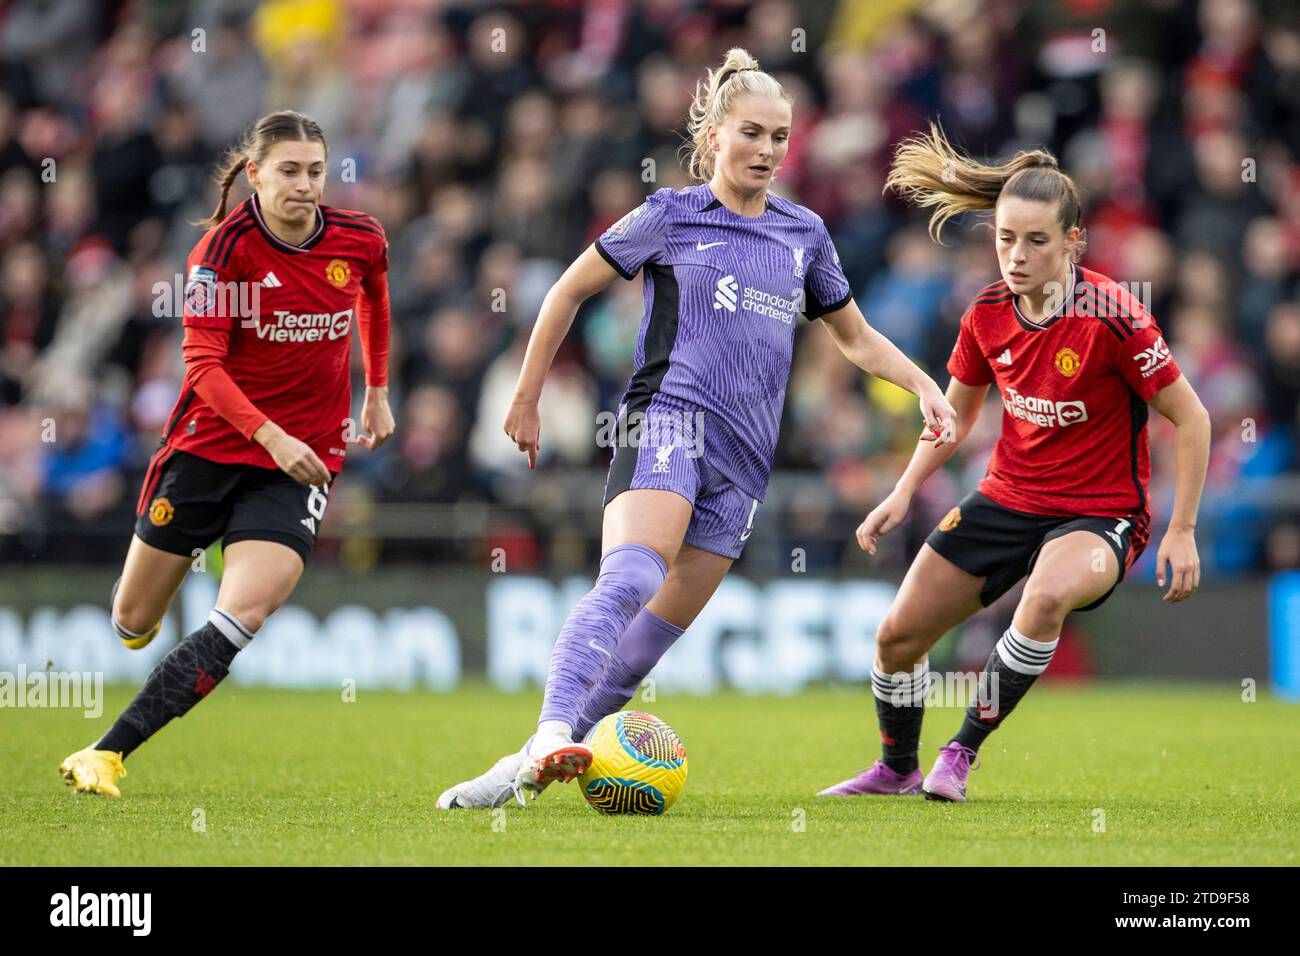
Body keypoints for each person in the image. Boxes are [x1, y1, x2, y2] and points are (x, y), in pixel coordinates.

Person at [437, 49, 957, 810]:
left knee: (642, 651)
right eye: (752, 133)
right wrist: (525, 395)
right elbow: (566, 290)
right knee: (632, 577)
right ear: (714, 135)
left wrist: (920, 383)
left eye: (781, 136)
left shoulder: (804, 233)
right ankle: (552, 730)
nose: (768, 151)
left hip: (744, 464)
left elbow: (853, 336)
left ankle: (518, 770)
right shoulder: (669, 215)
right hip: (665, 426)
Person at [818, 124, 1210, 802]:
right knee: (896, 639)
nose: (1016, 255)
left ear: (1072, 241)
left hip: (1100, 514)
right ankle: (895, 769)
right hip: (1006, 498)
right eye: (1005, 239)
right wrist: (906, 489)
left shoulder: (1115, 316)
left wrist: (1182, 529)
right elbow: (956, 416)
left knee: (1047, 596)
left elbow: (1193, 418)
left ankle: (959, 754)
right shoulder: (987, 314)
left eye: (1036, 240)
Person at [59, 110, 395, 796]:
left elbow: (374, 298)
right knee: (133, 619)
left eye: (316, 172)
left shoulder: (358, 237)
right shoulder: (223, 252)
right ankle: (169, 577)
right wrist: (271, 434)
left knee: (247, 612)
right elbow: (203, 367)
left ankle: (107, 751)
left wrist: (377, 389)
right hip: (209, 448)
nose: (305, 186)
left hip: (301, 462)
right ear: (255, 174)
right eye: (289, 171)